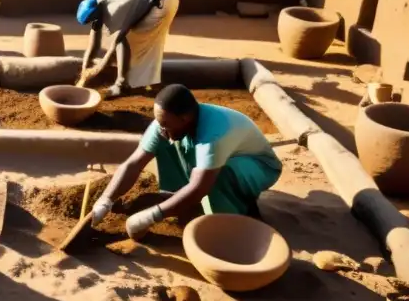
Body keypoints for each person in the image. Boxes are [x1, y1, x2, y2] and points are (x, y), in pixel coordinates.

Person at [92, 84, 282, 239]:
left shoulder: (214, 134)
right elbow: (134, 163)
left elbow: (200, 187)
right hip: (219, 160)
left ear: (185, 118)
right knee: (166, 142)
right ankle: (178, 199)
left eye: (165, 124)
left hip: (257, 167)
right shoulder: (165, 124)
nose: (161, 128)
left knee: (217, 176)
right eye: (159, 122)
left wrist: (151, 216)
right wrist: (106, 200)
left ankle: (231, 216)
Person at [76, 0, 179, 99]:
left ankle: (121, 85)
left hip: (162, 1)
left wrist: (97, 69)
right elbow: (93, 43)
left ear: (96, 14)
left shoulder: (114, 8)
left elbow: (118, 41)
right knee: (141, 43)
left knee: (128, 40)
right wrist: (84, 72)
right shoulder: (99, 3)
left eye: (92, 20)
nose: (92, 23)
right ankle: (146, 82)